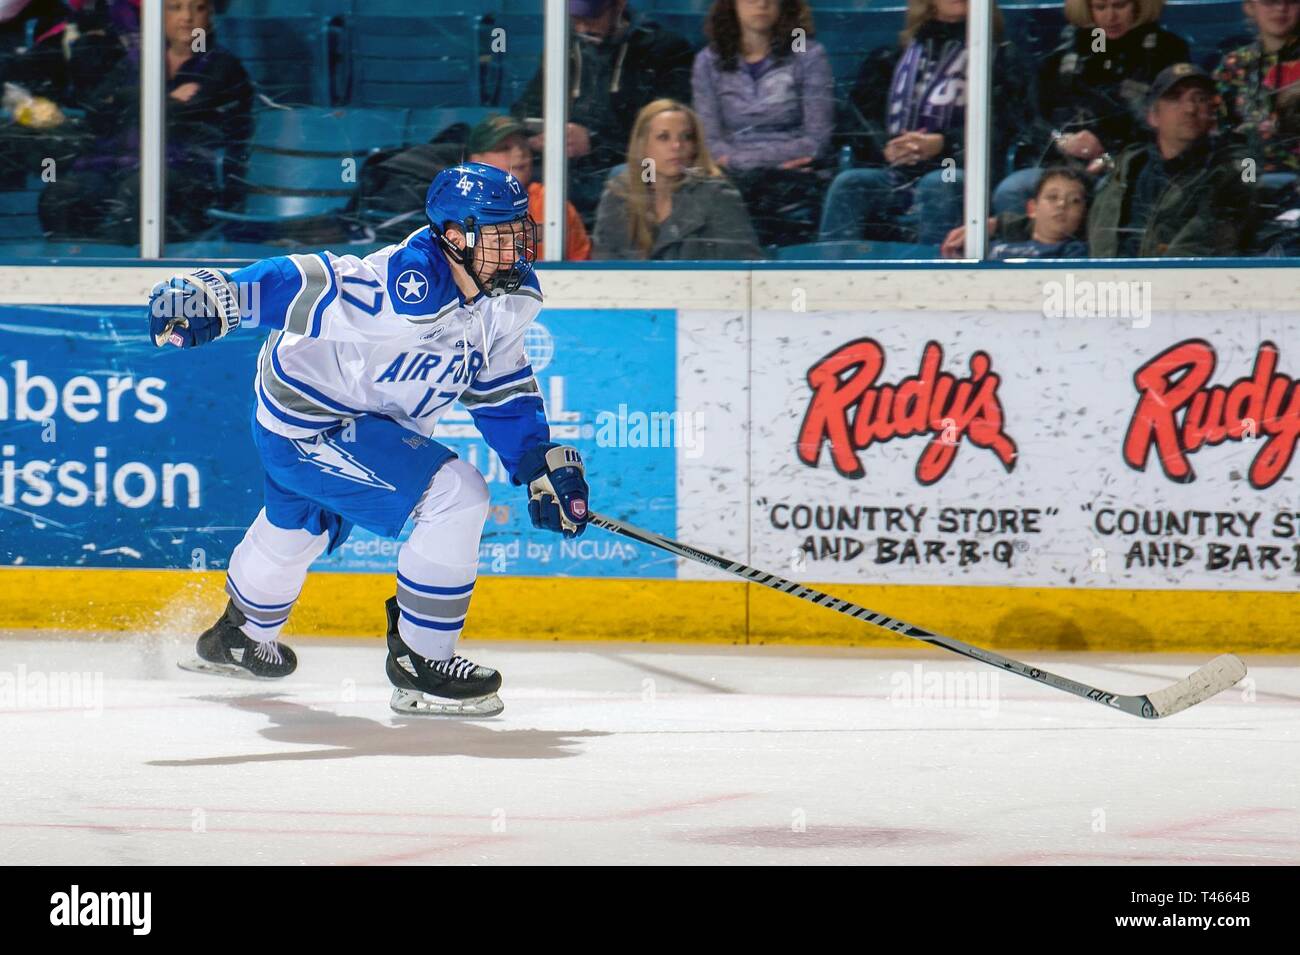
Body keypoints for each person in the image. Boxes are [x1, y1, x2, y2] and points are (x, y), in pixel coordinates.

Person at [146, 162, 592, 717]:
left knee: (296, 530)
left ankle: (236, 636)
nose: (518, 249)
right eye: (501, 236)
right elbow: (305, 279)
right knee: (458, 496)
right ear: (455, 237)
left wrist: (535, 461)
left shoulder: (513, 296)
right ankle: (422, 662)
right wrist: (215, 294)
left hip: (341, 422)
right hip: (314, 422)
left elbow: (499, 384)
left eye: (519, 231)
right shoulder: (405, 285)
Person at [819, 0, 1033, 246]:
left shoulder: (1002, 57)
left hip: (959, 166)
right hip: (898, 170)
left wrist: (944, 143)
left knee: (940, 182)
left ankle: (936, 277)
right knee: (850, 183)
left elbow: (1008, 126)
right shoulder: (892, 58)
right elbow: (859, 120)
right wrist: (889, 147)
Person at [39, 0, 250, 242]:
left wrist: (128, 100)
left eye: (199, 8)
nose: (187, 17)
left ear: (211, 17)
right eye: (174, 8)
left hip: (188, 170)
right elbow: (98, 108)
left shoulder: (222, 65)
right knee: (60, 196)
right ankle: (71, 267)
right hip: (117, 163)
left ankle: (121, 266)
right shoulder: (138, 60)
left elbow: (185, 114)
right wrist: (163, 98)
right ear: (158, 16)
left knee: (138, 192)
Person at [992, 0, 1189, 216]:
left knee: (1109, 191)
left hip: (1131, 166)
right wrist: (1061, 141)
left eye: (1120, 6)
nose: (1110, 17)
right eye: (1100, 7)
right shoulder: (1064, 54)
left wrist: (1109, 157)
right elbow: (1033, 118)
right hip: (1062, 165)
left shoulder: (1167, 51)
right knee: (1011, 191)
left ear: (1138, 6)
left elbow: (1171, 126)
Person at [511, 0, 694, 230]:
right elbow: (527, 107)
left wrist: (594, 140)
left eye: (590, 18)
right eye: (575, 19)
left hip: (623, 166)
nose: (581, 28)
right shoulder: (564, 47)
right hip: (567, 169)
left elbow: (666, 132)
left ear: (618, 7)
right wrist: (534, 135)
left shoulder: (665, 49)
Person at [691, 0, 833, 246]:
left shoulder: (807, 54)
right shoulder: (708, 60)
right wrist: (745, 164)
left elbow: (815, 141)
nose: (762, 3)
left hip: (789, 177)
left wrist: (741, 162)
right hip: (733, 175)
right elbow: (710, 140)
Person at [592, 98, 762, 259]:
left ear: (695, 146)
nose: (677, 146)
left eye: (686, 137)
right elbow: (602, 270)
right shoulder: (619, 196)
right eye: (663, 137)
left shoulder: (717, 196)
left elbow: (745, 271)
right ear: (643, 145)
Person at [468, 114, 592, 261]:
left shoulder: (552, 203)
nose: (519, 153)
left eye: (523, 145)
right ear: (476, 161)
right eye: (504, 148)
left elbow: (581, 264)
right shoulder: (455, 206)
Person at [1214, 0, 1300, 197]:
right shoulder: (1235, 66)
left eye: (1291, 0)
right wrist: (1248, 183)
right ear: (1249, 6)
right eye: (1269, 1)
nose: (1281, 8)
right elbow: (1230, 138)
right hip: (1252, 185)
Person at [941, 166, 1090, 258]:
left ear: (1083, 213)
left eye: (1074, 201)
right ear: (1032, 209)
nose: (1062, 204)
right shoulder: (995, 243)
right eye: (1052, 197)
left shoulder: (1074, 253)